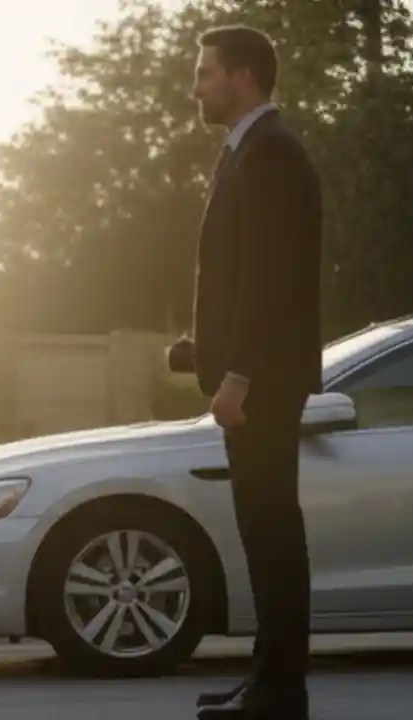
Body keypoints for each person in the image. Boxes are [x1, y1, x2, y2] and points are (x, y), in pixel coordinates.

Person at [167, 23, 323, 720]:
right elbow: (239, 278)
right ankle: (268, 682)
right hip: (253, 375)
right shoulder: (248, 151)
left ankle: (280, 691)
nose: (196, 87)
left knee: (273, 534)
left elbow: (271, 280)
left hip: (262, 385)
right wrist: (204, 348)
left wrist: (240, 375)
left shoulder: (272, 154)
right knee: (263, 534)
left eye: (206, 73)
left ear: (243, 77)